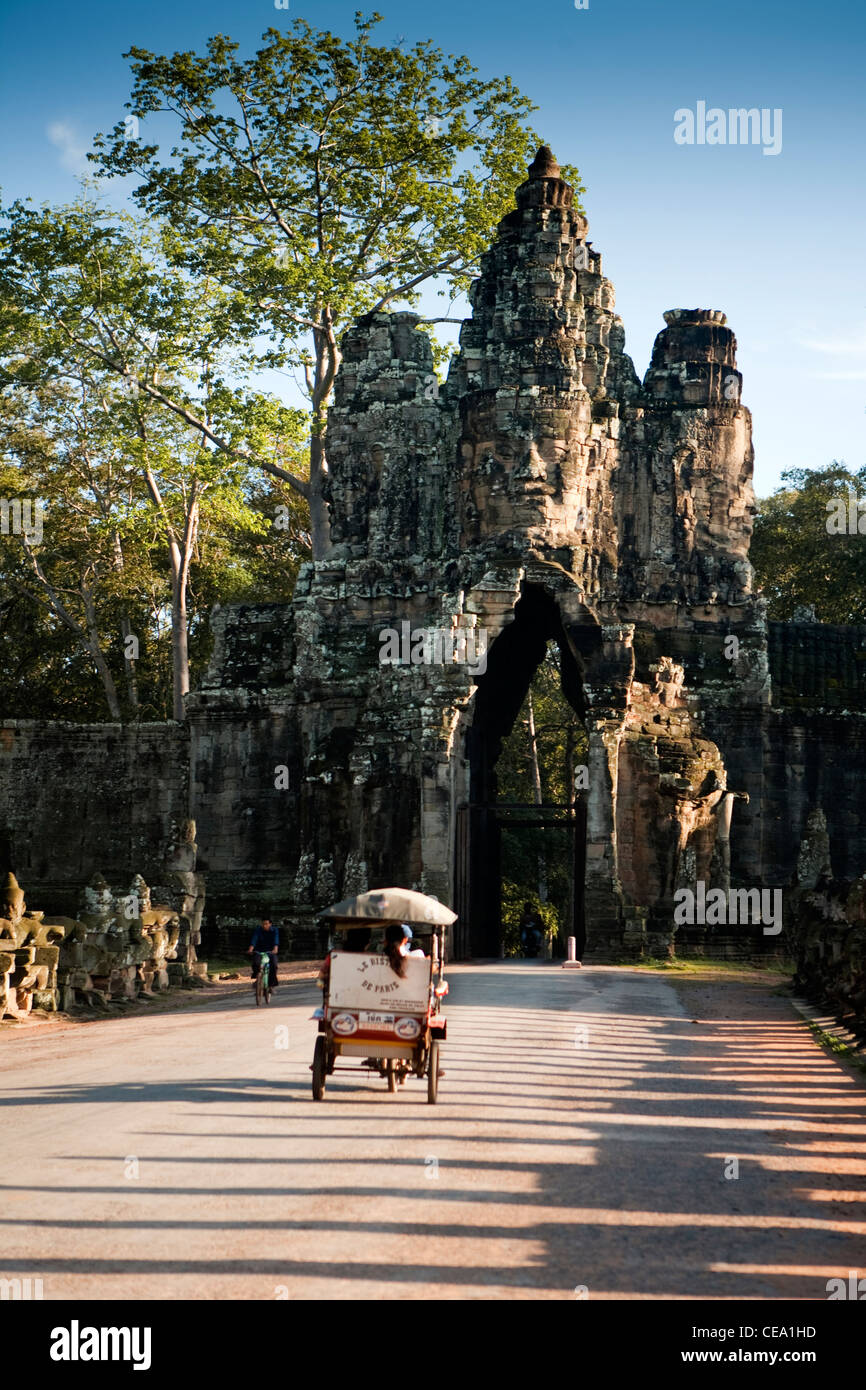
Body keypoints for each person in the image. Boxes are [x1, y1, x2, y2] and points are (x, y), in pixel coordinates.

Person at [248, 917, 279, 990]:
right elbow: (254, 940)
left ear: (270, 924)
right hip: (259, 951)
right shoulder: (258, 930)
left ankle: (271, 983)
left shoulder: (274, 930)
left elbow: (276, 940)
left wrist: (275, 948)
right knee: (256, 963)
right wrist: (251, 949)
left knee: (274, 965)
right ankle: (258, 978)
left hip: (270, 952)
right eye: (263, 924)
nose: (264, 926)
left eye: (266, 924)